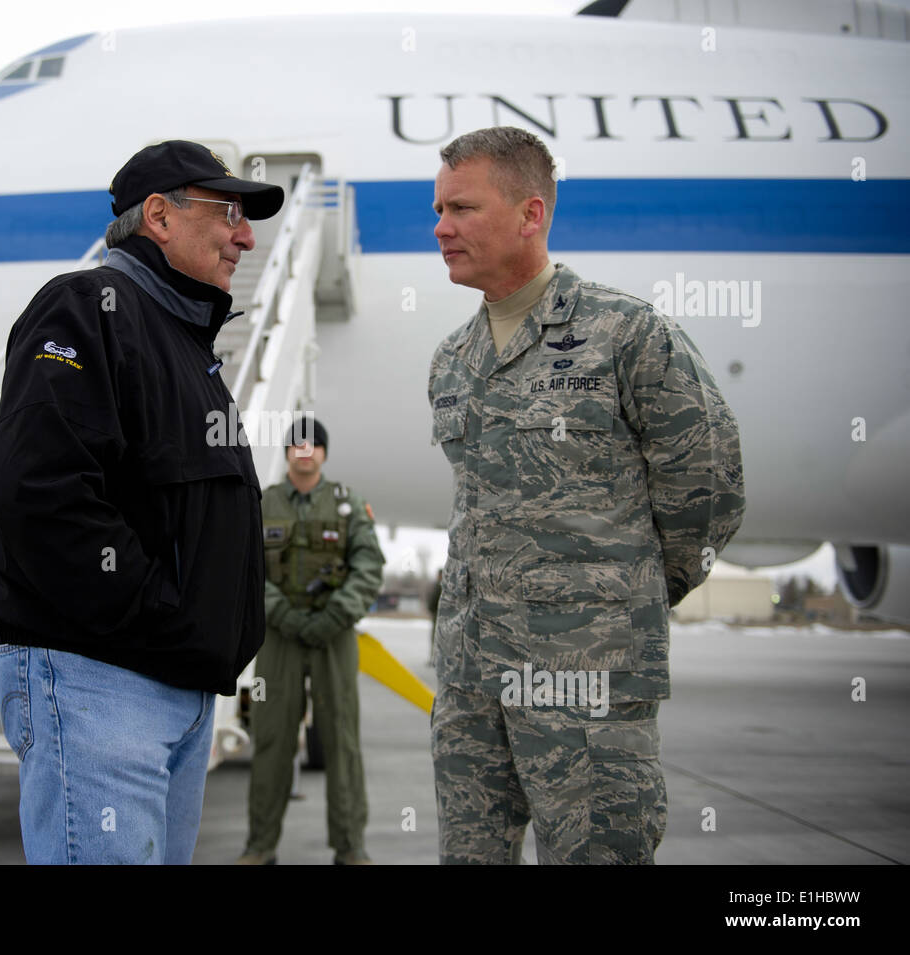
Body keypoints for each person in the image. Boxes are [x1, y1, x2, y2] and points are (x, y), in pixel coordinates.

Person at [428, 127, 745, 864]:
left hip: (586, 685)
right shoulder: (454, 358)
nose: (440, 228)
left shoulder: (626, 335)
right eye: (438, 209)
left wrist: (618, 599)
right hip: (473, 689)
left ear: (530, 214)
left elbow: (709, 486)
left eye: (461, 209)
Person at [0, 140, 285, 864]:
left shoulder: (184, 343)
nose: (246, 237)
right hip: (104, 679)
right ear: (158, 215)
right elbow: (40, 492)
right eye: (229, 214)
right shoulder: (85, 307)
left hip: (178, 687)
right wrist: (158, 609)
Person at [238, 418, 384, 865]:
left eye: (314, 445)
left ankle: (349, 845)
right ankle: (260, 845)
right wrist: (280, 612)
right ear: (287, 453)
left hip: (333, 636)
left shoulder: (348, 504)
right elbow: (245, 565)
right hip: (279, 636)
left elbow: (368, 563)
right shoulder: (263, 503)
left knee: (342, 740)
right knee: (271, 740)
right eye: (297, 444)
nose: (306, 451)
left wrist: (337, 614)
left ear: (323, 453)